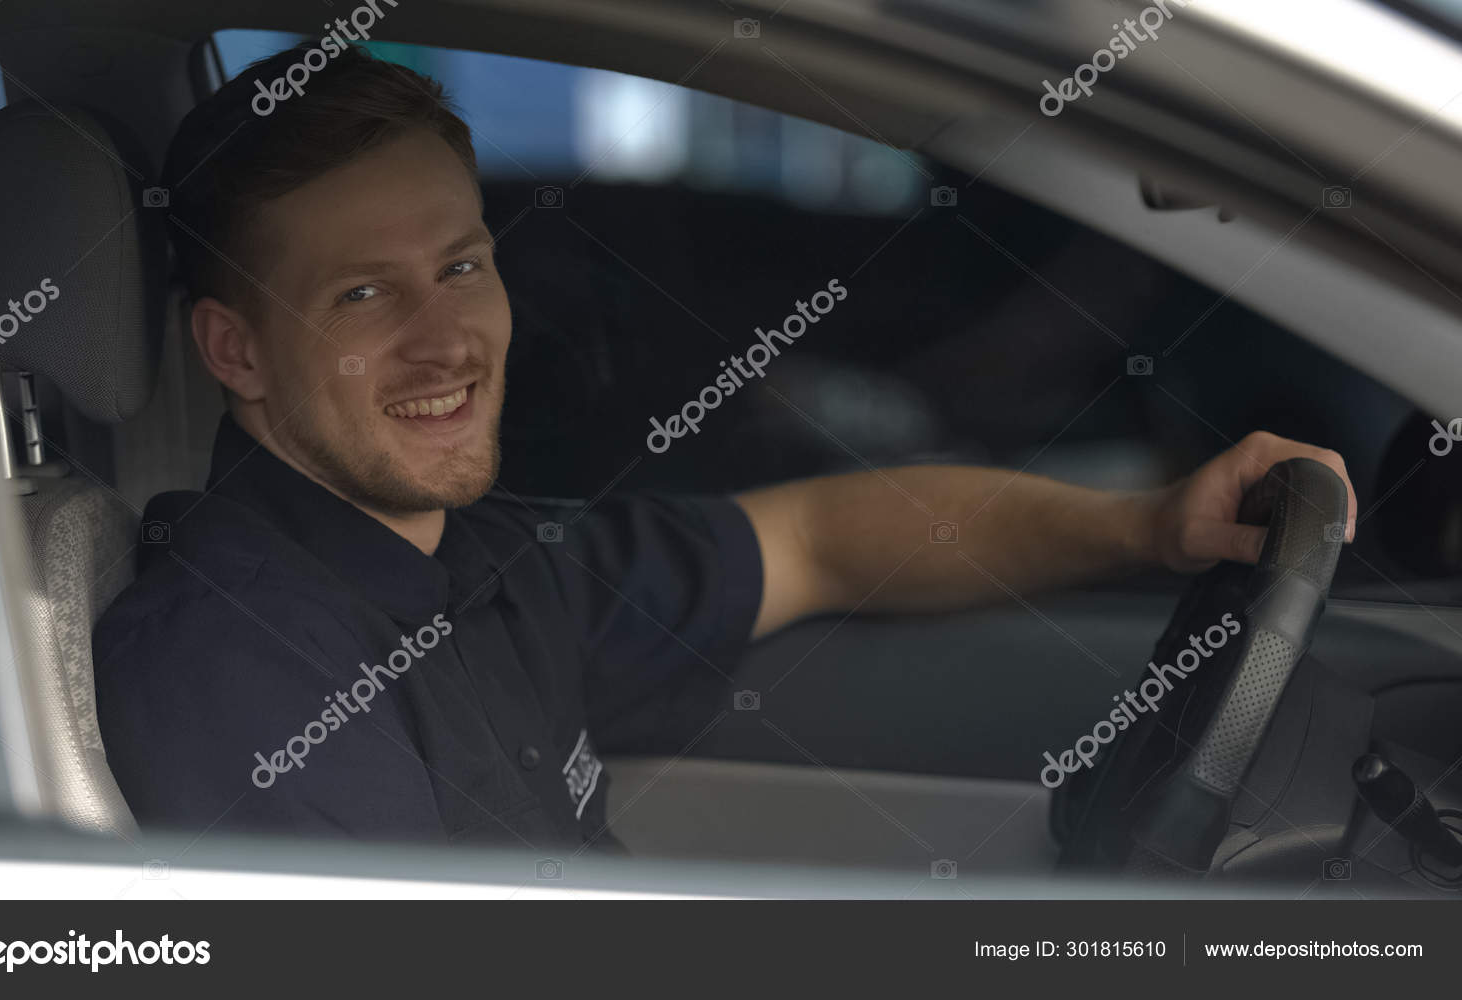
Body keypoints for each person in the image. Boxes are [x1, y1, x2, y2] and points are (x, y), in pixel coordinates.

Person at [92, 41, 1358, 850]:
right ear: (235, 351)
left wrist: (1147, 523)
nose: (447, 341)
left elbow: (818, 538)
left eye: (461, 266)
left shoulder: (488, 558)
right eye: (363, 296)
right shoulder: (235, 668)